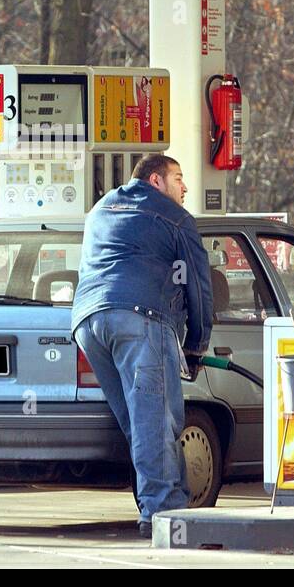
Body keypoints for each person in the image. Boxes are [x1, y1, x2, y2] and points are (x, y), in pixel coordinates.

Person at [71, 153, 214, 538]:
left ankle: (163, 502)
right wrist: (197, 345)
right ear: (156, 181)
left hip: (87, 321)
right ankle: (165, 514)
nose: (185, 187)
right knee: (156, 422)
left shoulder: (101, 208)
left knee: (141, 423)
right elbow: (199, 288)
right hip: (138, 317)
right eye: (179, 178)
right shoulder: (177, 219)